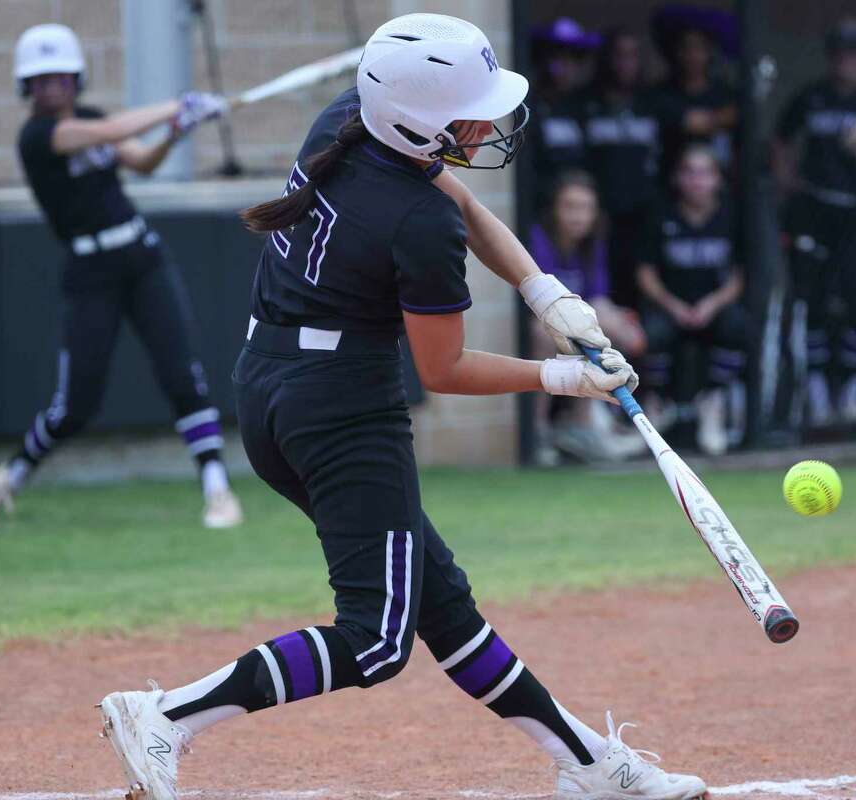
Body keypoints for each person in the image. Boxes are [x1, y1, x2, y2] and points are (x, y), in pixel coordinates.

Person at [96, 14, 707, 800]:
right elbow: (444, 368)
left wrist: (546, 294)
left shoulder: (351, 123)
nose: (487, 123)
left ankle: (588, 763)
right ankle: (166, 715)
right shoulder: (413, 222)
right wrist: (558, 379)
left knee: (441, 603)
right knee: (378, 640)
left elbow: (464, 204)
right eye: (469, 111)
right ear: (419, 123)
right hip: (340, 411)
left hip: (274, 384)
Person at [0, 24, 242, 529]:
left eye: (60, 77)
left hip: (141, 255)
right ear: (27, 87)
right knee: (76, 404)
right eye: (40, 80)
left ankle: (218, 491)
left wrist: (179, 128)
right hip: (90, 272)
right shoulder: (39, 137)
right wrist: (179, 104)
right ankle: (13, 476)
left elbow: (142, 160)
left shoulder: (89, 116)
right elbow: (109, 134)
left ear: (76, 78)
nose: (51, 88)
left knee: (182, 375)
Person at [772, 18, 856, 424]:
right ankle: (818, 389)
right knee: (812, 299)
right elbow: (781, 139)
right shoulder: (812, 97)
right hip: (815, 208)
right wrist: (787, 181)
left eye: (855, 53)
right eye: (840, 53)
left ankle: (853, 388)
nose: (846, 61)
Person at [527, 171, 647, 462]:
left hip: (573, 323)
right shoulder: (538, 239)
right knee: (546, 335)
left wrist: (621, 322)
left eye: (585, 208)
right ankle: (536, 430)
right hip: (541, 322)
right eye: (570, 207)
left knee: (611, 329)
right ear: (554, 209)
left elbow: (598, 299)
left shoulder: (592, 245)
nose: (577, 216)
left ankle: (583, 426)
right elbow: (540, 303)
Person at [636, 147, 749, 455]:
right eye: (689, 172)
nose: (697, 180)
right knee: (649, 334)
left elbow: (739, 276)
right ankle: (658, 404)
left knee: (737, 326)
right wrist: (674, 305)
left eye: (705, 172)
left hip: (713, 305)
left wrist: (711, 304)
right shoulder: (660, 213)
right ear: (677, 178)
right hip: (670, 304)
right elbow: (645, 272)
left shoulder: (731, 215)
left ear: (717, 178)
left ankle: (712, 402)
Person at [575, 28, 665, 309]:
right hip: (600, 211)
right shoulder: (585, 102)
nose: (625, 63)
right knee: (603, 282)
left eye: (633, 55)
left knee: (642, 281)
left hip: (644, 209)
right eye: (619, 55)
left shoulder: (653, 102)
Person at [650, 7, 739, 173]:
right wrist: (727, 116)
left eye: (699, 48)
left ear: (709, 52)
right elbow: (696, 123)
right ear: (676, 53)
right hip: (671, 184)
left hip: (718, 185)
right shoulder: (661, 94)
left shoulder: (725, 93)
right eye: (685, 48)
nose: (692, 55)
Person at [527, 18, 601, 213]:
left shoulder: (582, 107)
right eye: (559, 58)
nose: (568, 68)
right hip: (541, 209)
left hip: (577, 209)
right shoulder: (528, 107)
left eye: (575, 59)